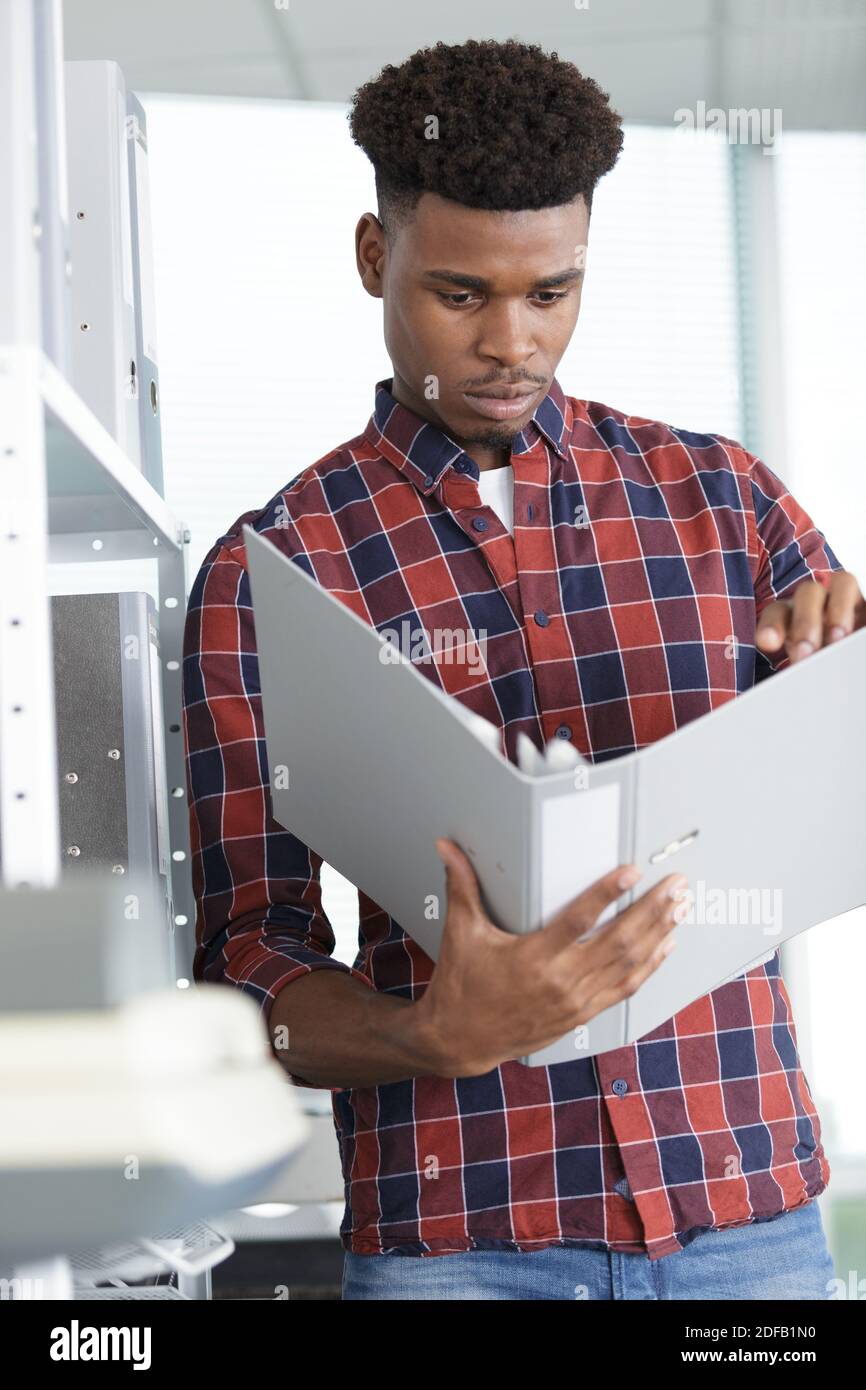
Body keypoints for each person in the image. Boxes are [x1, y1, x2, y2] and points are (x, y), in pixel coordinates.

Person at [182, 39, 865, 1300]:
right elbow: (248, 976)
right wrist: (429, 1031)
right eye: (459, 294)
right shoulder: (269, 576)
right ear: (373, 259)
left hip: (744, 1223)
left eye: (550, 293)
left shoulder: (730, 503)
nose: (511, 342)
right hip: (462, 1251)